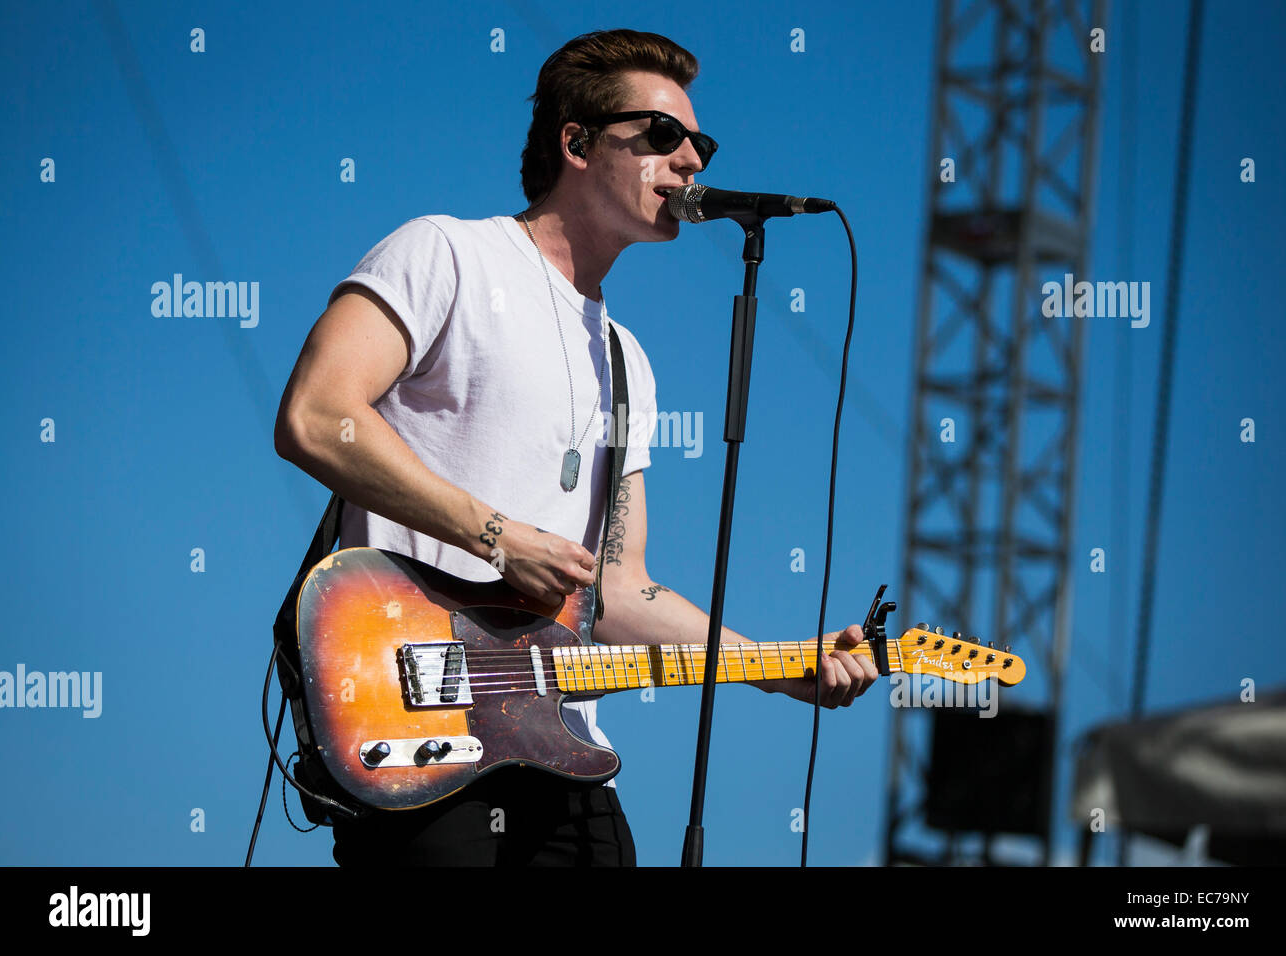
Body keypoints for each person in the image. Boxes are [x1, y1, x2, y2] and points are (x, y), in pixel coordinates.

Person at [273, 28, 878, 867]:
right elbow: (314, 413)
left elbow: (618, 592)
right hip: (420, 721)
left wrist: (779, 665)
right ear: (578, 142)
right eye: (662, 136)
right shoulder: (446, 253)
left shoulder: (629, 362)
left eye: (699, 143)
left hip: (561, 742)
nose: (691, 161)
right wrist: (497, 536)